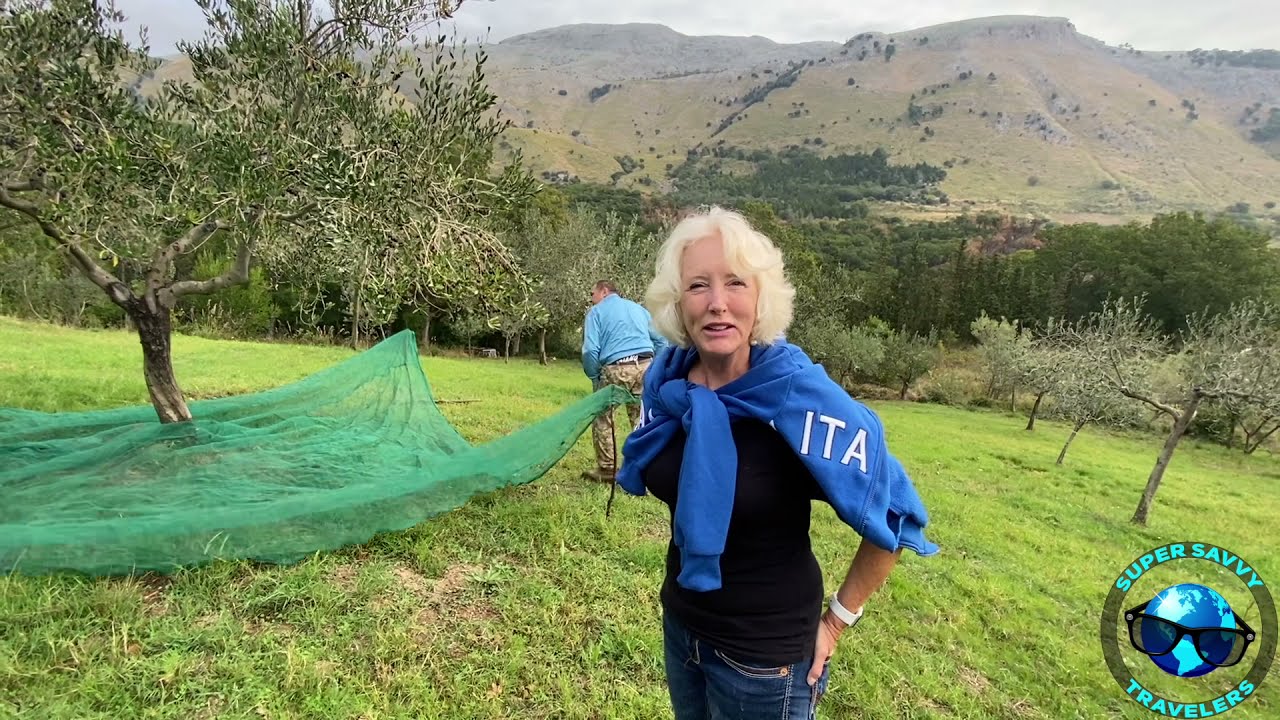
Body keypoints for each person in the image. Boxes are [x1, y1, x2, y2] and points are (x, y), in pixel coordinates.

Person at [615, 207, 938, 720]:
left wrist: (836, 621)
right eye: (698, 285)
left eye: (736, 283)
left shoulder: (800, 400)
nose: (717, 303)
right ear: (678, 301)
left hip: (766, 662)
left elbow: (896, 516)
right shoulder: (669, 382)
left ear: (761, 297)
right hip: (682, 629)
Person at [581, 279, 670, 483]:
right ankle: (647, 468)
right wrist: (656, 367)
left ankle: (607, 470)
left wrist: (594, 375)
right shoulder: (637, 309)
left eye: (592, 293)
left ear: (604, 291)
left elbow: (590, 350)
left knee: (603, 417)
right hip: (645, 367)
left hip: (617, 368)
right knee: (641, 418)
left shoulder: (596, 312)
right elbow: (661, 341)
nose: (592, 298)